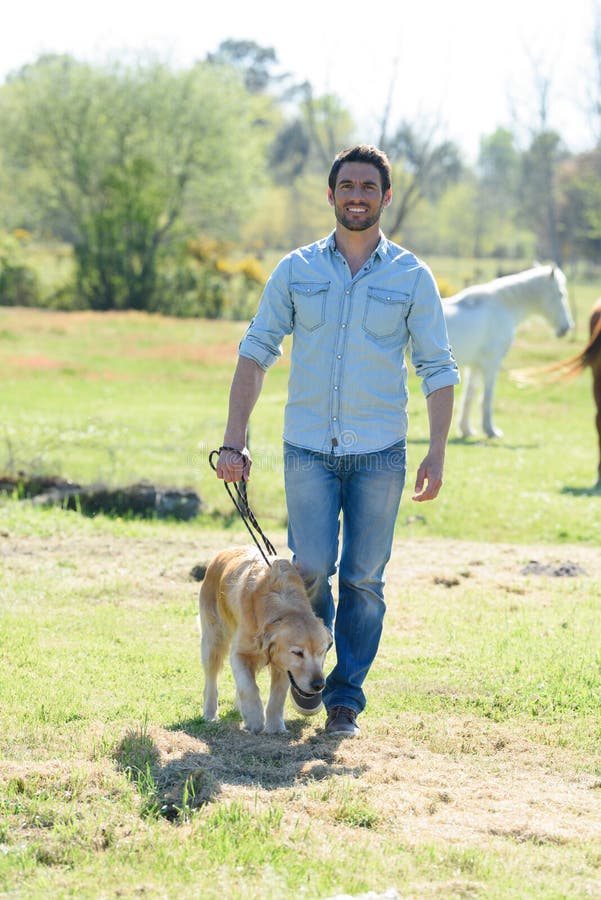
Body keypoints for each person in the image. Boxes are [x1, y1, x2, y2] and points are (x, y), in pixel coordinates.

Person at [214, 144, 459, 737]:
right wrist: (233, 440)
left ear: (385, 197)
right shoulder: (297, 270)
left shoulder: (411, 276)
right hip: (308, 452)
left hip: (380, 453)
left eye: (367, 187)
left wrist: (437, 450)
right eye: (346, 186)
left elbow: (439, 367)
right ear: (331, 195)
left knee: (365, 580)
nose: (356, 196)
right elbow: (256, 351)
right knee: (312, 569)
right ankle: (303, 668)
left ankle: (343, 699)